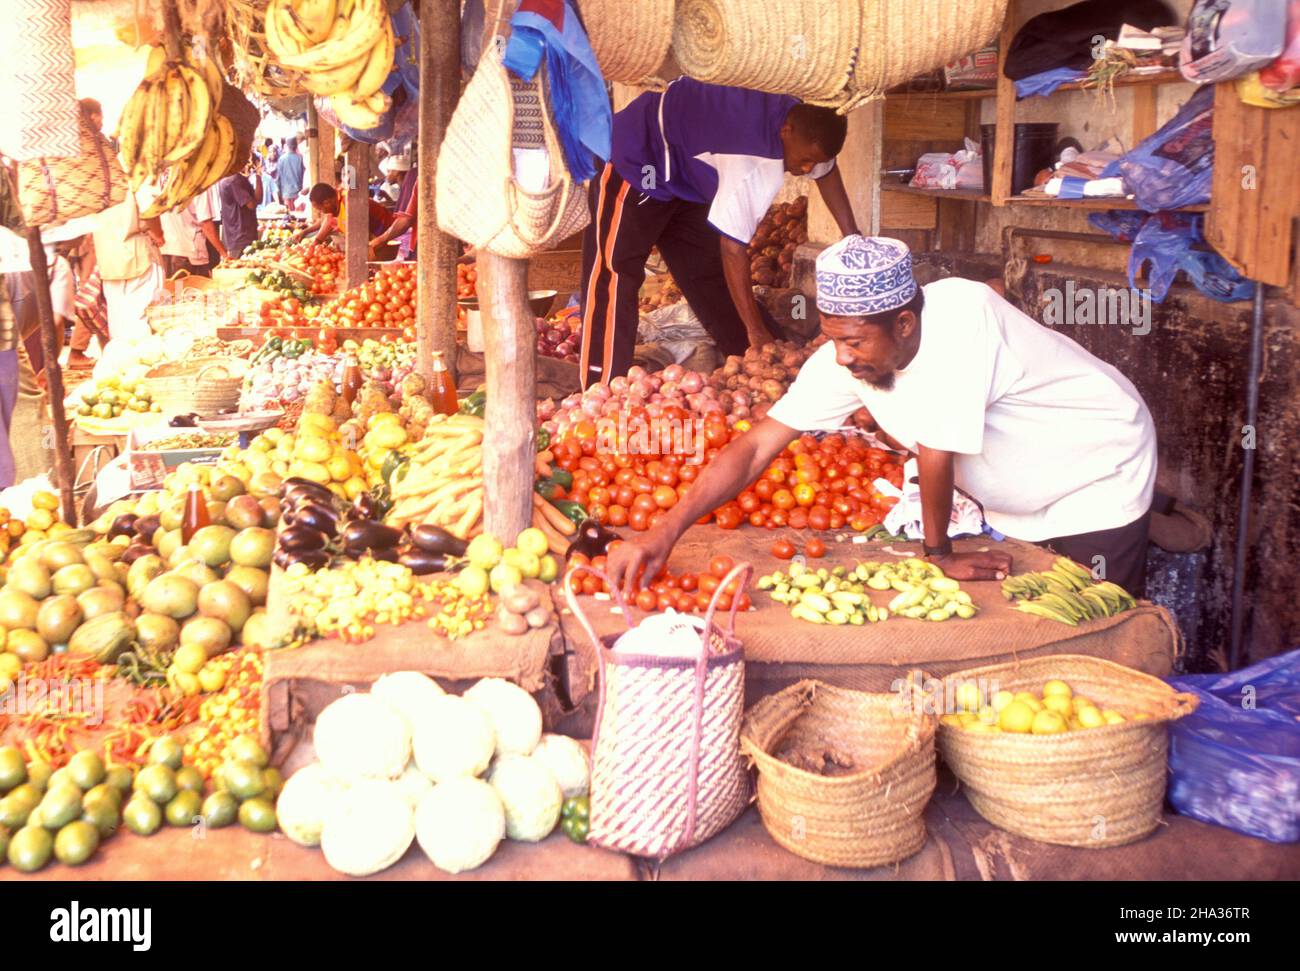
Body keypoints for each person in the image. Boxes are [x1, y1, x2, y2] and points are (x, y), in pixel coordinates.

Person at [607, 235, 1159, 598]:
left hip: (1096, 473)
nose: (841, 357)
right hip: (1021, 496)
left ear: (904, 324)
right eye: (831, 338)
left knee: (1094, 619)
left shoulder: (966, 319)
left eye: (852, 341)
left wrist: (938, 554)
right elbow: (755, 447)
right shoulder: (845, 358)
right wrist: (665, 531)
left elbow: (937, 453)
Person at [579, 78, 860, 389]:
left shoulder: (804, 124)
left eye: (814, 162)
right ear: (786, 132)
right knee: (614, 274)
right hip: (639, 161)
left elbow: (827, 170)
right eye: (805, 161)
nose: (808, 169)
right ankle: (601, 386)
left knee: (709, 276)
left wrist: (853, 237)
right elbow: (733, 249)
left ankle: (767, 365)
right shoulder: (755, 166)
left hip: (686, 176)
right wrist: (755, 330)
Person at [90, 193, 163, 345]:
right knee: (143, 319)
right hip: (138, 256)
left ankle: (122, 363)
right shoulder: (138, 173)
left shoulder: (97, 174)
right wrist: (159, 234)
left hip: (108, 256)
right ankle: (144, 364)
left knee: (118, 322)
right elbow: (149, 209)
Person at [290, 182, 394, 247]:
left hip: (390, 234)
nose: (322, 212)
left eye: (321, 209)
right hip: (375, 235)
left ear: (327, 202)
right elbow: (326, 220)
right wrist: (305, 233)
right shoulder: (336, 198)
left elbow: (360, 238)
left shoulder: (349, 204)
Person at [218, 167, 259, 258]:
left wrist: (258, 176)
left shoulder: (230, 179)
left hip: (238, 236)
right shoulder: (234, 180)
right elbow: (252, 204)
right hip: (240, 236)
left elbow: (257, 200)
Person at [277, 136, 306, 204]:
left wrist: (279, 193)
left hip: (286, 194)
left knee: (289, 213)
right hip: (299, 193)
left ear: (287, 146)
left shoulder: (281, 159)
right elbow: (304, 175)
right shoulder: (300, 158)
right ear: (296, 146)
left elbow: (278, 178)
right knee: (299, 214)